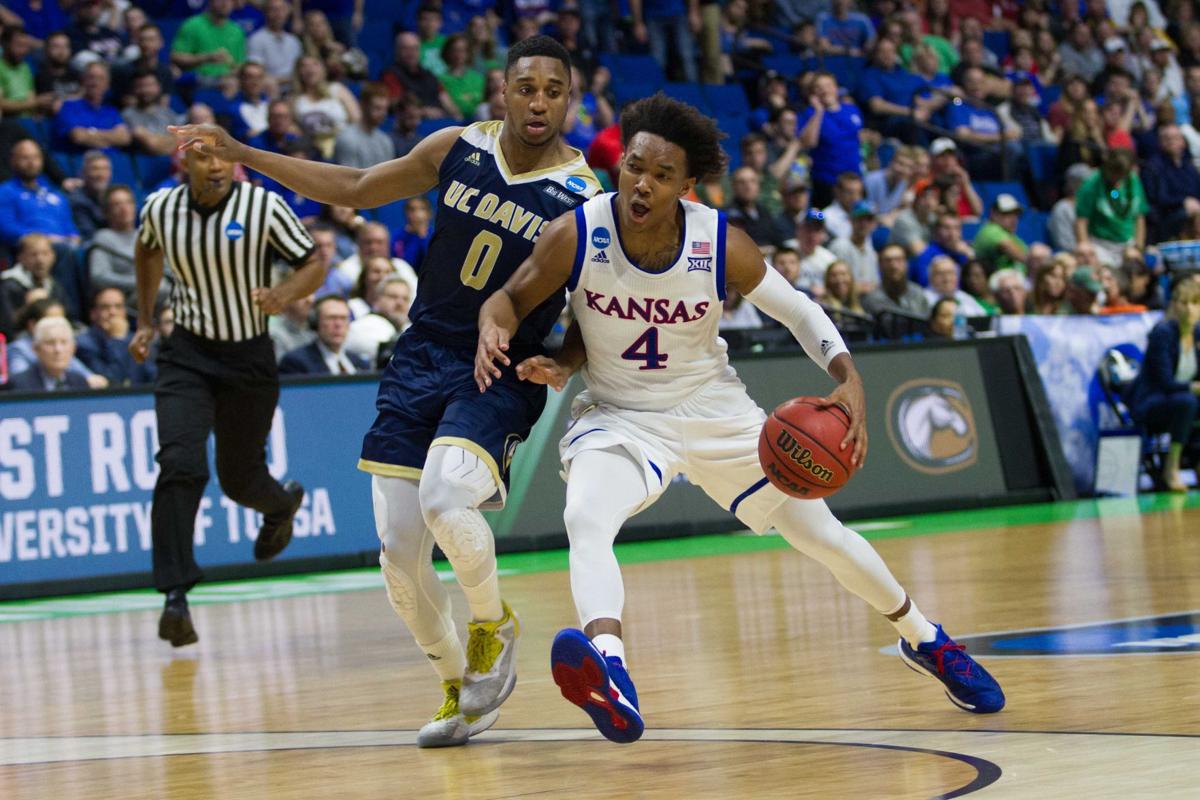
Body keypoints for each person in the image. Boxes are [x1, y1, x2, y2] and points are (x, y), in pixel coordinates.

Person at [475, 93, 1004, 744]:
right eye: (635, 166)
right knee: (585, 516)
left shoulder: (717, 241)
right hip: (621, 415)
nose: (642, 183)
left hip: (714, 413)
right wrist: (522, 346)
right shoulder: (578, 231)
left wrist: (849, 377)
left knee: (825, 538)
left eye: (661, 175)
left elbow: (802, 313)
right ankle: (611, 671)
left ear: (687, 186)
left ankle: (925, 640)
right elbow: (509, 297)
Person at [170, 35, 603, 747]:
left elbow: (592, 307)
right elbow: (355, 188)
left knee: (444, 497)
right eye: (526, 87)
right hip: (420, 355)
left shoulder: (585, 200)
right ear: (502, 89)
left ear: (569, 99)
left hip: (498, 368)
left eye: (553, 90)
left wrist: (566, 361)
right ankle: (458, 685)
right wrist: (244, 153)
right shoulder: (456, 147)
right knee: (399, 559)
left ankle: (494, 623)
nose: (538, 101)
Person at [131, 136, 327, 649]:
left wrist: (284, 294)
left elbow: (313, 262)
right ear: (185, 163)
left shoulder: (262, 205)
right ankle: (175, 595)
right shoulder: (160, 207)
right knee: (180, 464)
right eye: (203, 157)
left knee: (240, 480)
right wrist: (145, 320)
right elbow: (147, 249)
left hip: (249, 358)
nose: (216, 165)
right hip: (187, 354)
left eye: (223, 155)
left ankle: (280, 506)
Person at [1127, 278, 1200, 490]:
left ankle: (1197, 462)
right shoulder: (1163, 334)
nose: (1189, 309)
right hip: (1151, 403)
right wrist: (1194, 387)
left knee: (1190, 402)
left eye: (1195, 303)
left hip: (1183, 402)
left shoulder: (1198, 335)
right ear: (1174, 305)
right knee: (1187, 401)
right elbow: (1165, 382)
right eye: (1183, 303)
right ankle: (1171, 467)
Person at [1075, 147, 1148, 266]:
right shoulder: (1092, 184)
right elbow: (1081, 220)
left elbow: (1139, 217)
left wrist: (1138, 247)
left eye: (1122, 175)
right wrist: (1085, 247)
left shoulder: (1134, 181)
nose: (1117, 179)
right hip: (1101, 244)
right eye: (1114, 174)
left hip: (1128, 243)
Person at [279, 295, 371, 374]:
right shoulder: (296, 363)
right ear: (315, 322)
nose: (338, 324)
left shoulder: (361, 364)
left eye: (343, 318)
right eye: (331, 318)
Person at [3, 316, 90, 392]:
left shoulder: (80, 382)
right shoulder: (18, 384)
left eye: (64, 342)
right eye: (50, 343)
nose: (58, 350)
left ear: (73, 348)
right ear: (36, 349)